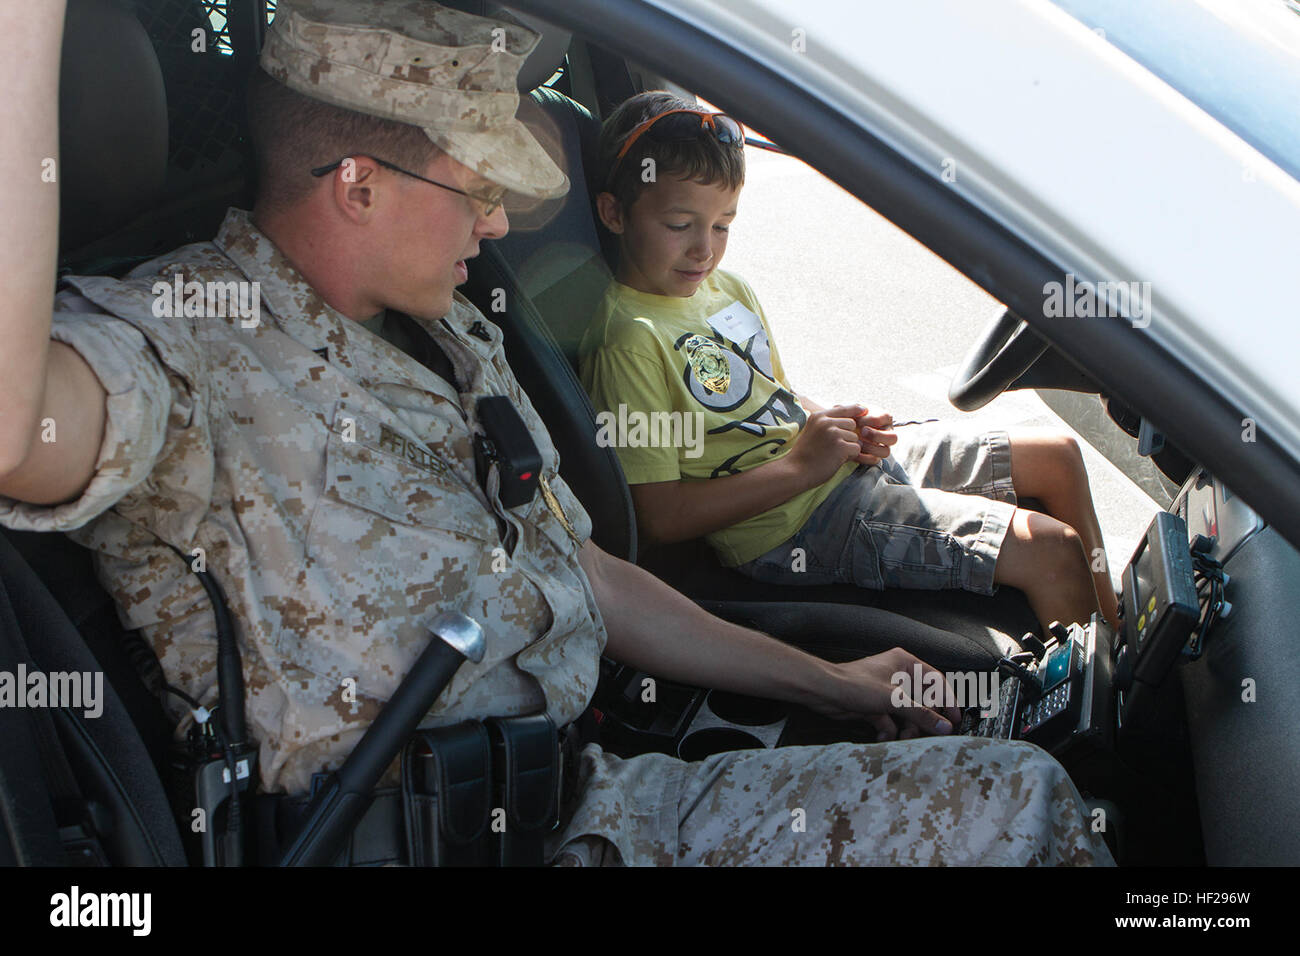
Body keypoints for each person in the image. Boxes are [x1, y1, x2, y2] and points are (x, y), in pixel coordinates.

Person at [0, 0, 1111, 865]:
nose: (496, 220)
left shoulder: (444, 339)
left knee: (1008, 769)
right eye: (474, 186)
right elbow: (16, 425)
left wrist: (839, 684)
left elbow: (581, 573)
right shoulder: (182, 342)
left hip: (585, 794)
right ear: (357, 186)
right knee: (1026, 804)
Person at [580, 91, 1122, 638]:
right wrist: (801, 468)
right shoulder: (629, 342)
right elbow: (661, 515)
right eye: (680, 225)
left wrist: (842, 421)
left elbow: (778, 399)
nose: (704, 249)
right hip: (791, 527)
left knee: (1058, 455)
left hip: (832, 467)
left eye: (722, 225)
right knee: (1050, 548)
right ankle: (1095, 709)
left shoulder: (726, 288)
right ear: (614, 213)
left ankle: (1116, 642)